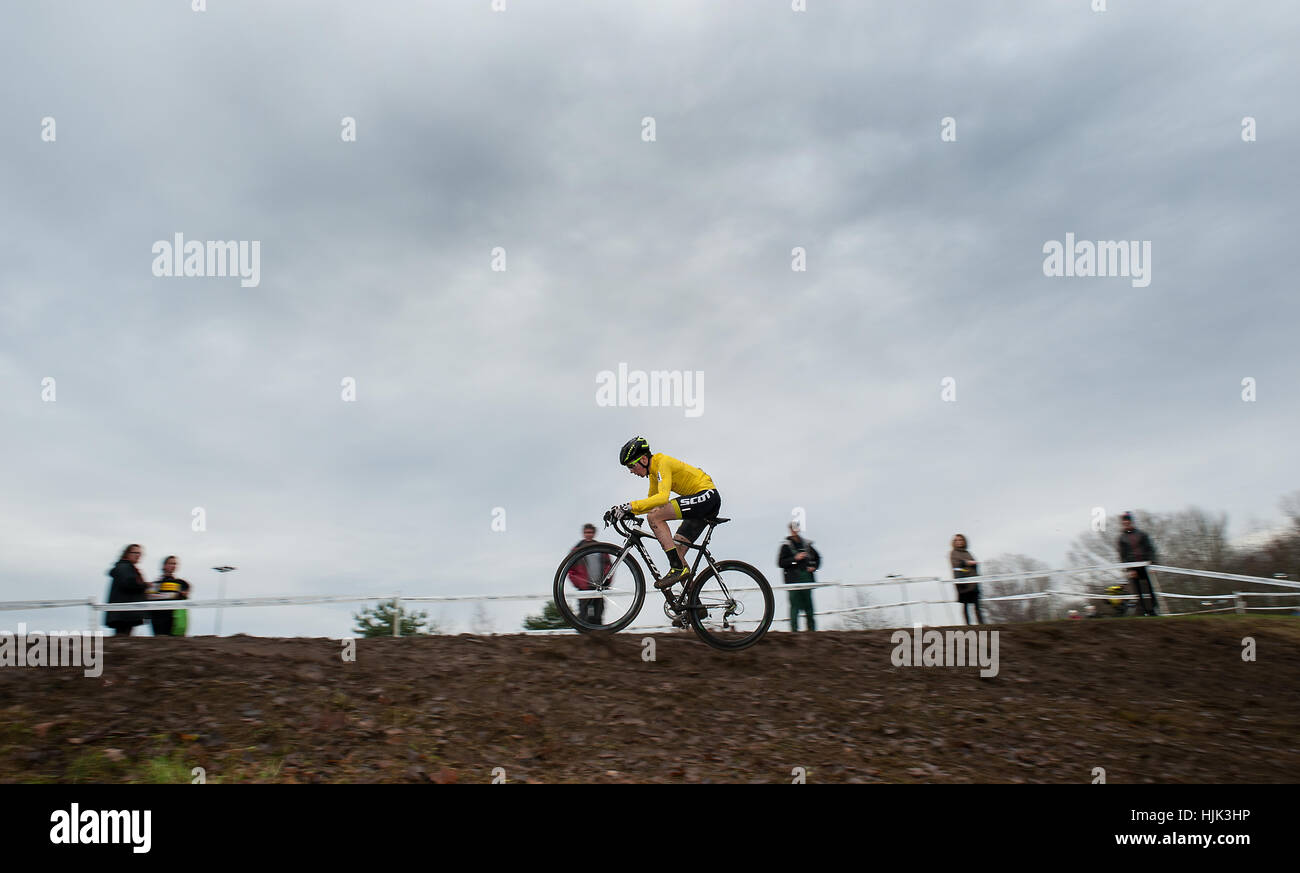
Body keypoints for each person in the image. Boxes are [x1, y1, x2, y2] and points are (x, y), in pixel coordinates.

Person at [606, 436, 719, 590]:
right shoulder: (653, 474)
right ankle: (695, 606)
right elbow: (652, 502)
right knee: (677, 551)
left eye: (631, 466)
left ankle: (677, 569)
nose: (631, 471)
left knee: (654, 517)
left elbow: (662, 498)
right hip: (699, 505)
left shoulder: (662, 462)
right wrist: (626, 511)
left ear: (644, 460)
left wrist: (629, 506)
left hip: (706, 496)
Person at [778, 521, 821, 631]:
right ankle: (794, 631)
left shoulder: (807, 544)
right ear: (790, 530)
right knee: (794, 606)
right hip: (793, 579)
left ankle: (812, 630)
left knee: (809, 606)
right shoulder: (786, 546)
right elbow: (780, 562)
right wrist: (794, 559)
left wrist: (814, 567)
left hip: (806, 577)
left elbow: (818, 557)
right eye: (792, 528)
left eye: (796, 528)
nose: (795, 530)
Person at [1116, 511, 1159, 616]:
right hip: (1133, 566)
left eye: (1128, 521)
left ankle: (1153, 610)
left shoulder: (1142, 534)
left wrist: (1153, 562)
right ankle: (1143, 611)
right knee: (1138, 591)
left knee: (1150, 588)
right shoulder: (1121, 538)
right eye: (1124, 522)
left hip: (1145, 564)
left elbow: (1150, 548)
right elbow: (1123, 555)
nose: (1126, 523)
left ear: (1131, 522)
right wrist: (1129, 570)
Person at [567, 524, 611, 625]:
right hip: (584, 588)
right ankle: (583, 636)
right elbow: (570, 569)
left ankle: (599, 635)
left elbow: (609, 566)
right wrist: (579, 583)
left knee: (599, 613)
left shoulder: (601, 548)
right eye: (587, 532)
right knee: (583, 615)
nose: (588, 535)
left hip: (599, 586)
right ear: (583, 533)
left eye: (590, 532)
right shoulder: (576, 549)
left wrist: (607, 581)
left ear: (594, 533)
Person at [105, 544, 149, 635]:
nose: (138, 555)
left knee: (124, 636)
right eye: (135, 553)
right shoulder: (124, 567)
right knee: (122, 636)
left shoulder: (128, 568)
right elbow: (129, 583)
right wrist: (145, 586)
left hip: (125, 613)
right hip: (124, 613)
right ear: (127, 553)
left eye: (140, 553)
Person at [149, 555, 191, 636]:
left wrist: (184, 593)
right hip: (158, 619)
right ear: (164, 565)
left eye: (175, 564)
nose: (173, 566)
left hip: (175, 618)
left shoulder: (181, 583)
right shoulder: (156, 583)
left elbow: (186, 591)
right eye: (171, 563)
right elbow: (150, 598)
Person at [950, 534, 984, 625]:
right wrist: (966, 563)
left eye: (961, 540)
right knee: (965, 605)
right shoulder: (953, 553)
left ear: (964, 541)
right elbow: (956, 565)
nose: (959, 542)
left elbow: (974, 563)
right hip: (963, 582)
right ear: (954, 542)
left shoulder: (967, 553)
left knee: (977, 604)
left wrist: (973, 564)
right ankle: (968, 625)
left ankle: (982, 624)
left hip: (973, 581)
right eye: (956, 540)